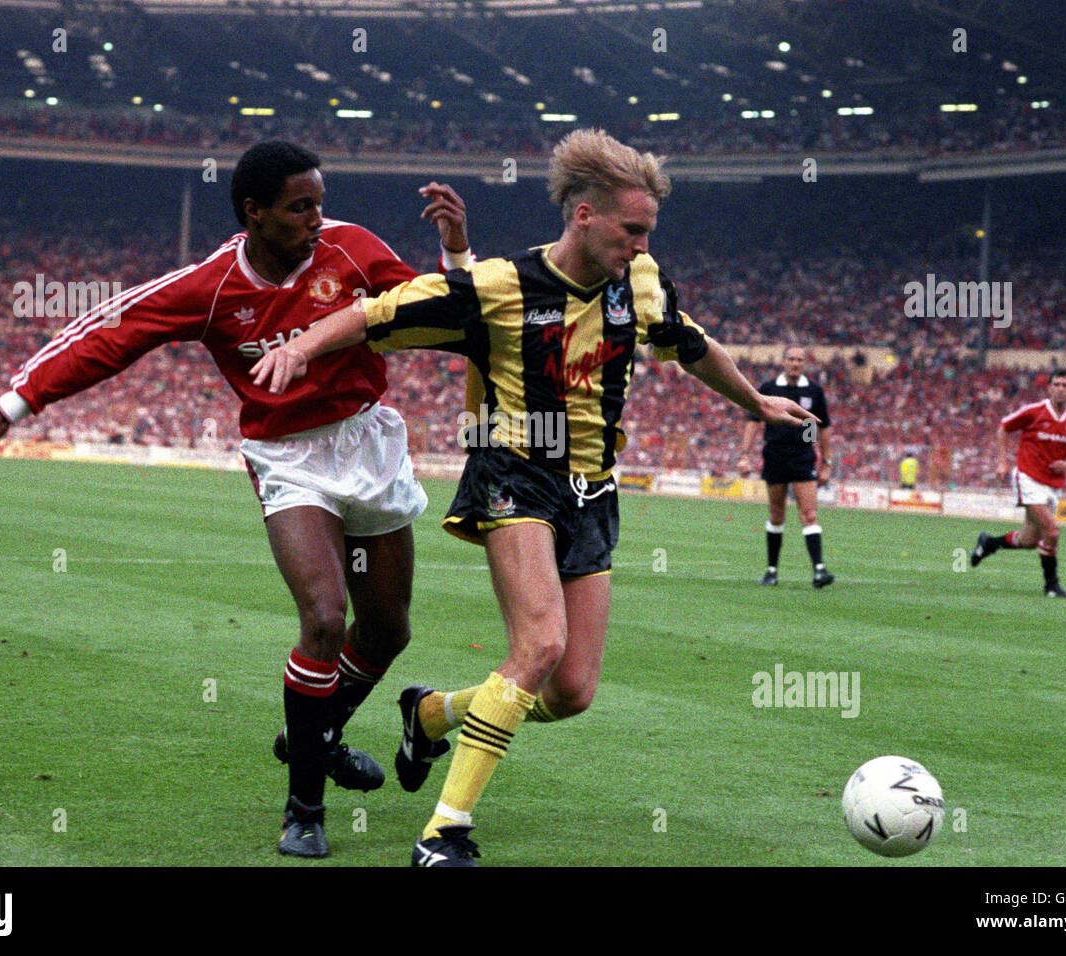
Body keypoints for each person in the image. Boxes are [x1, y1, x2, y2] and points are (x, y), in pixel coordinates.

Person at [250, 128, 818, 866]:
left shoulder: (640, 281)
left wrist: (754, 402)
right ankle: (444, 830)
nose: (642, 245)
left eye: (649, 231)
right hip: (514, 476)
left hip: (594, 492)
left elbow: (687, 342)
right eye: (632, 229)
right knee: (540, 645)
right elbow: (376, 313)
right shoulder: (497, 286)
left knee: (572, 689)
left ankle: (429, 714)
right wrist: (300, 344)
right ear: (584, 215)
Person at [0, 140, 471, 858]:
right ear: (253, 212)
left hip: (369, 443)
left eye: (319, 201)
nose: (317, 217)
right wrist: (11, 405)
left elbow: (435, 316)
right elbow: (111, 334)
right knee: (323, 618)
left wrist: (456, 256)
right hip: (289, 458)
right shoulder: (213, 285)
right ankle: (304, 809)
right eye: (298, 206)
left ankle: (314, 734)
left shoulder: (351, 250)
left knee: (386, 631)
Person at [970, 368, 1066, 597]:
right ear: (1049, 387)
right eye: (1057, 384)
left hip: (1053, 483)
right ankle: (1051, 585)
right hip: (1028, 478)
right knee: (1052, 532)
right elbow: (1003, 427)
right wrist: (1003, 462)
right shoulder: (1034, 411)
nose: (1061, 389)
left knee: (1030, 540)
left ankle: (989, 543)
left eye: (1065, 385)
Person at [735, 345, 835, 588]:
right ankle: (771, 571)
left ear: (805, 363)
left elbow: (820, 427)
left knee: (809, 514)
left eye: (800, 360)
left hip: (802, 458)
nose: (795, 363)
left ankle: (819, 571)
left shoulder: (813, 391)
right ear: (783, 361)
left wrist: (825, 461)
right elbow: (753, 422)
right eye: (791, 359)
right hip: (775, 456)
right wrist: (744, 455)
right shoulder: (769, 388)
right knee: (776, 515)